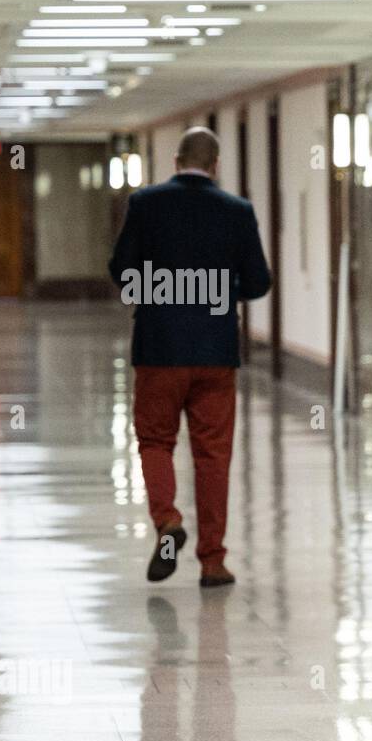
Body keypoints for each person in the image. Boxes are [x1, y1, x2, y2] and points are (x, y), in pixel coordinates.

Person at [108, 127, 271, 587]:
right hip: (216, 353)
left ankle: (168, 523)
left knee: (156, 441)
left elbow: (121, 270)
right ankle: (214, 562)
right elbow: (258, 282)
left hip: (159, 349)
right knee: (213, 456)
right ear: (215, 165)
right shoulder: (238, 211)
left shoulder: (145, 204)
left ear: (177, 162)